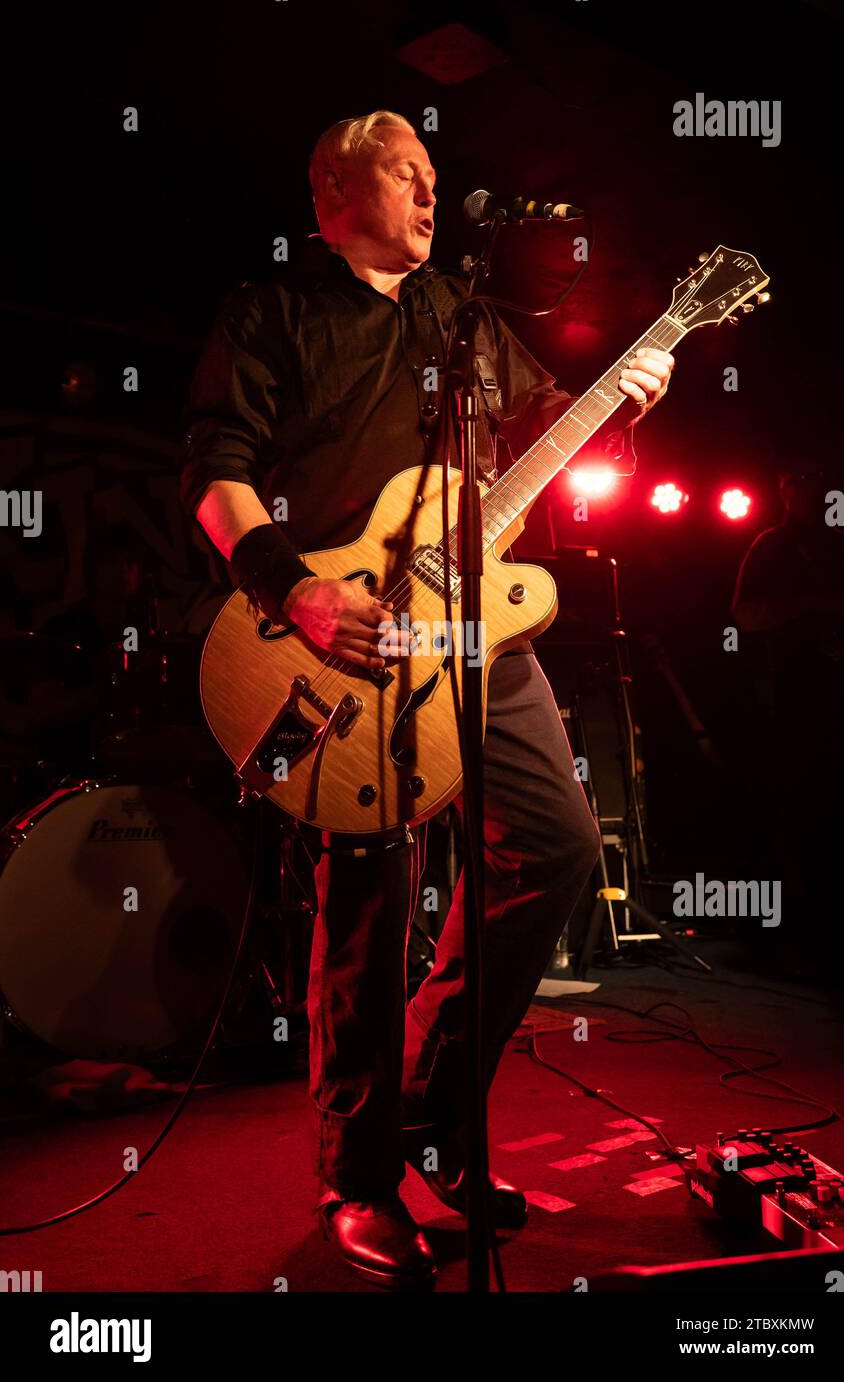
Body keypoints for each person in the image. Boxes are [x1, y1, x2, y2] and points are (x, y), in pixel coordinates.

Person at [181, 110, 674, 1288]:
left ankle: (436, 1111)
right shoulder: (274, 313)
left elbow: (536, 441)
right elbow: (215, 474)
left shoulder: (462, 316)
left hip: (471, 633)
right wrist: (294, 594)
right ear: (333, 191)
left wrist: (624, 395)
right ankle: (354, 1180)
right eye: (406, 173)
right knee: (369, 903)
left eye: (435, 176)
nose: (429, 192)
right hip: (337, 642)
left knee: (554, 846)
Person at [732, 460, 844, 962]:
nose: (807, 492)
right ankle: (797, 936)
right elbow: (745, 614)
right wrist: (810, 602)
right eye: (796, 482)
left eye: (815, 481)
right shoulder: (771, 545)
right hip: (797, 703)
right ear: (783, 491)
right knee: (800, 814)